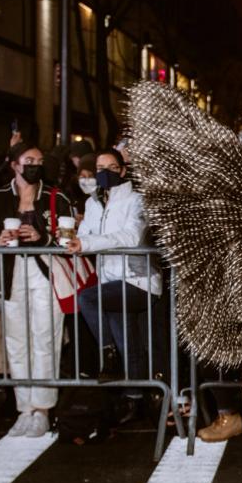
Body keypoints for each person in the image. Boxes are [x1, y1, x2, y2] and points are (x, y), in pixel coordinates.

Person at [0, 142, 77, 437]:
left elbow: (70, 240)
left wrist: (41, 236)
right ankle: (24, 408)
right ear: (14, 164)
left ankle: (43, 408)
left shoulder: (56, 198)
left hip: (46, 273)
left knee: (45, 340)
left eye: (39, 160)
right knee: (16, 342)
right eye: (28, 159)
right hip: (10, 275)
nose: (34, 164)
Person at [70, 149, 168, 428]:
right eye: (100, 167)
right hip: (109, 279)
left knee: (87, 299)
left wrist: (88, 243)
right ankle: (134, 398)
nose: (105, 172)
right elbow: (84, 235)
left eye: (112, 167)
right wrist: (77, 241)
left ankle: (107, 352)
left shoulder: (136, 200)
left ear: (123, 170)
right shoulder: (92, 203)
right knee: (129, 343)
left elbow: (131, 236)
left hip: (139, 280)